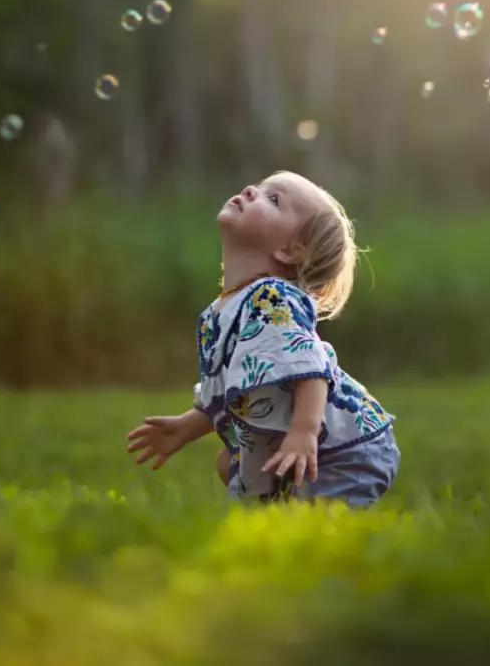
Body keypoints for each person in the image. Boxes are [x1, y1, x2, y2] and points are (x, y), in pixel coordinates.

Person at [125, 171, 399, 506]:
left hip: (345, 448)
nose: (251, 189)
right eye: (262, 187)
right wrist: (187, 427)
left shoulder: (272, 299)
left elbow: (313, 368)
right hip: (309, 438)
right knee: (230, 465)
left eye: (274, 200)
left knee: (310, 530)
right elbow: (236, 390)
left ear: (288, 250)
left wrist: (303, 433)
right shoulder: (224, 310)